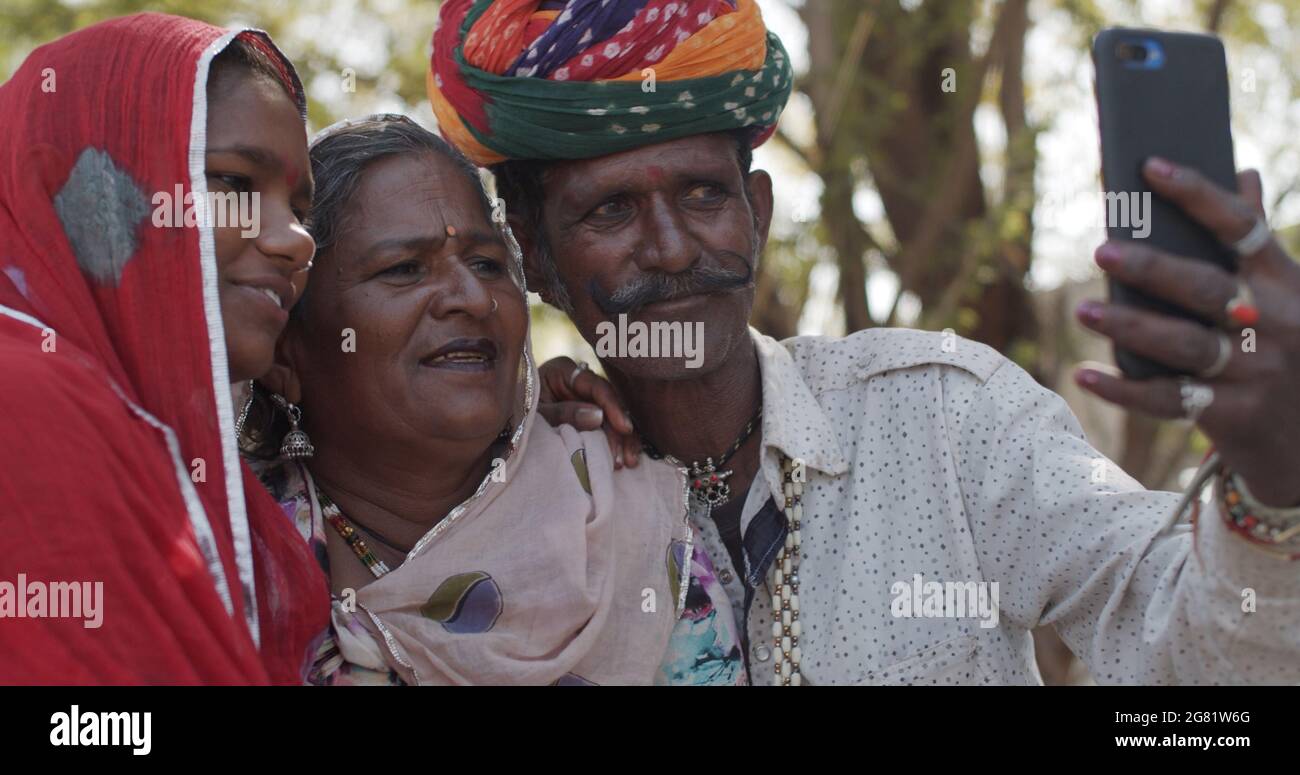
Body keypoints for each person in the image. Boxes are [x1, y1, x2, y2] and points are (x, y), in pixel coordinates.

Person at [430, 0, 1300, 684]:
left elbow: (1200, 669)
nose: (670, 248)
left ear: (758, 214)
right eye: (610, 210)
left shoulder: (945, 416)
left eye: (702, 195)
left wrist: (1277, 483)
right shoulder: (520, 487)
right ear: (536, 258)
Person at [241, 115, 697, 685]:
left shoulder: (619, 508)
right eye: (404, 269)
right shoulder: (227, 552)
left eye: (487, 264)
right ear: (287, 351)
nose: (474, 298)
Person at [0, 13, 328, 684]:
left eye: (300, 207)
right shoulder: (23, 403)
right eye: (235, 183)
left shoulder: (182, 462)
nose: (297, 240)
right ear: (92, 188)